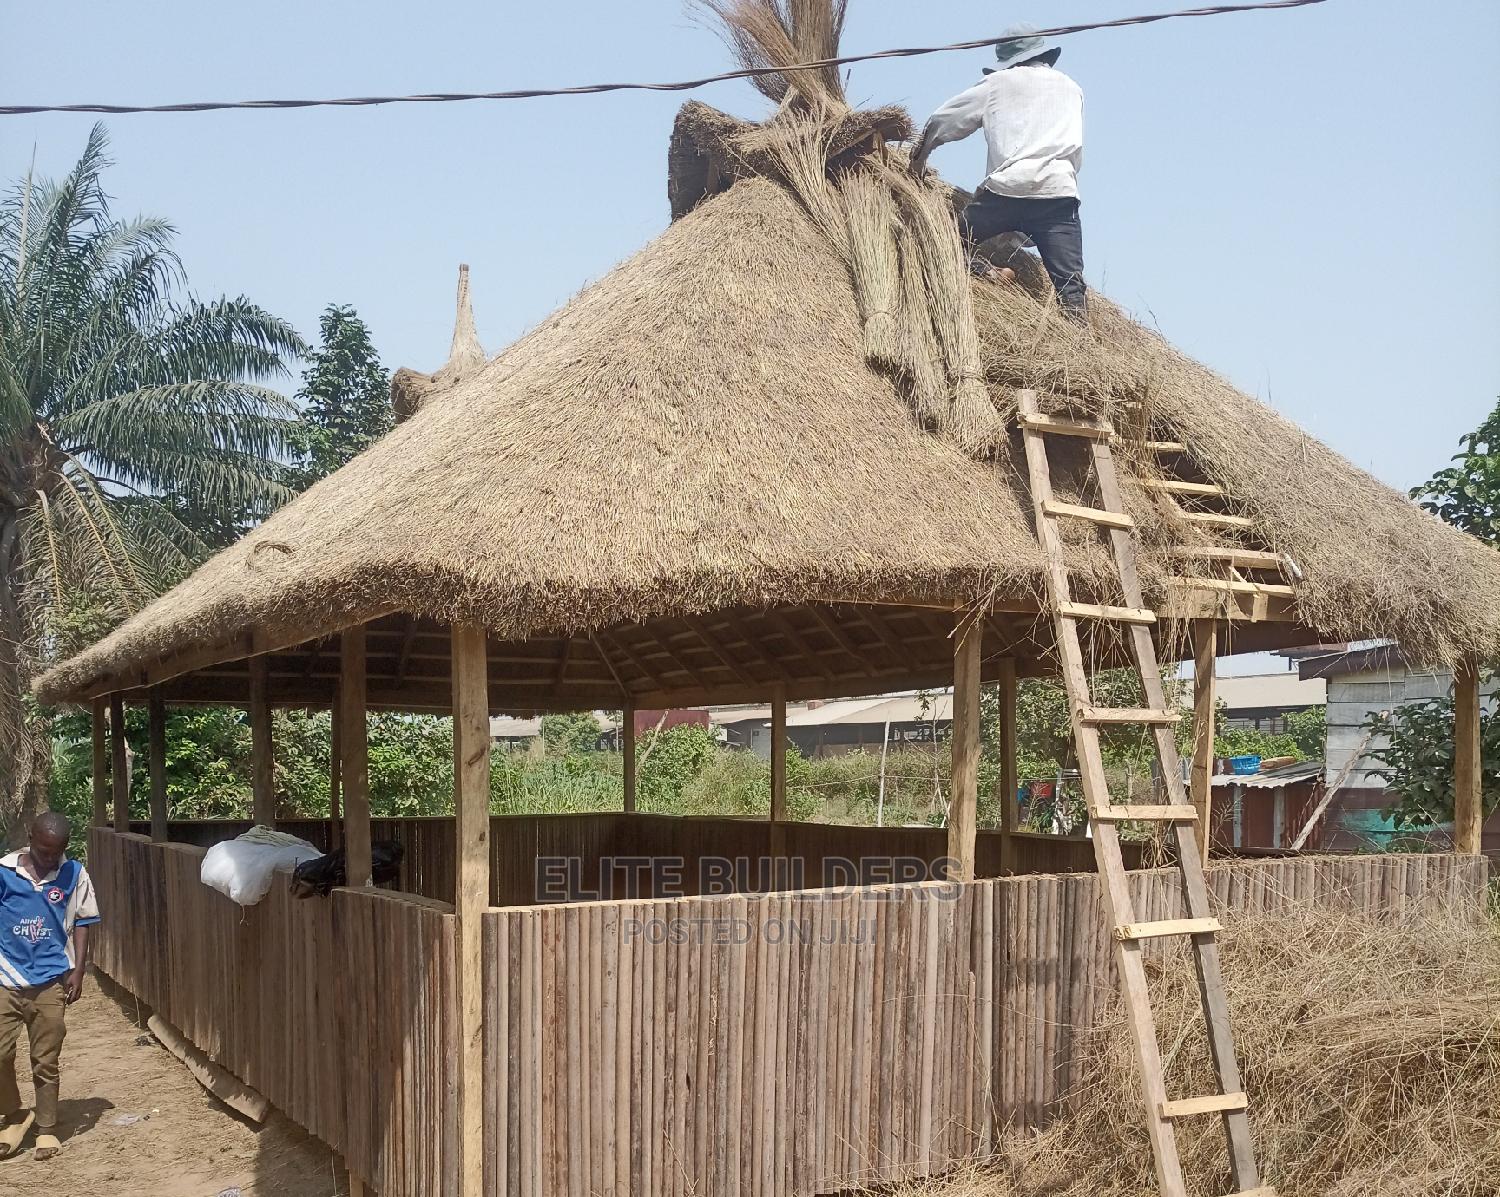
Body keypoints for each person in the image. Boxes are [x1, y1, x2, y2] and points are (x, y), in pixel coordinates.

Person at [910, 25, 1088, 321]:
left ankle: (983, 271)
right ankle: (1080, 346)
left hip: (1006, 193)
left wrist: (918, 159)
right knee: (1071, 287)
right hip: (1058, 197)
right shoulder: (1072, 88)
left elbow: (944, 120)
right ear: (1043, 52)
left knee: (947, 244)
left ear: (1008, 59)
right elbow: (1074, 152)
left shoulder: (997, 83)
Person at [0, 812, 100, 1161]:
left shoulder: (74, 874)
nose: (47, 858)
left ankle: (46, 1129)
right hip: (6, 977)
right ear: (30, 837)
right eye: (42, 850)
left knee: (45, 1059)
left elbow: (85, 920)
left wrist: (79, 970)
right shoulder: (4, 871)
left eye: (55, 852)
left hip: (50, 979)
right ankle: (14, 1115)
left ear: (64, 847)